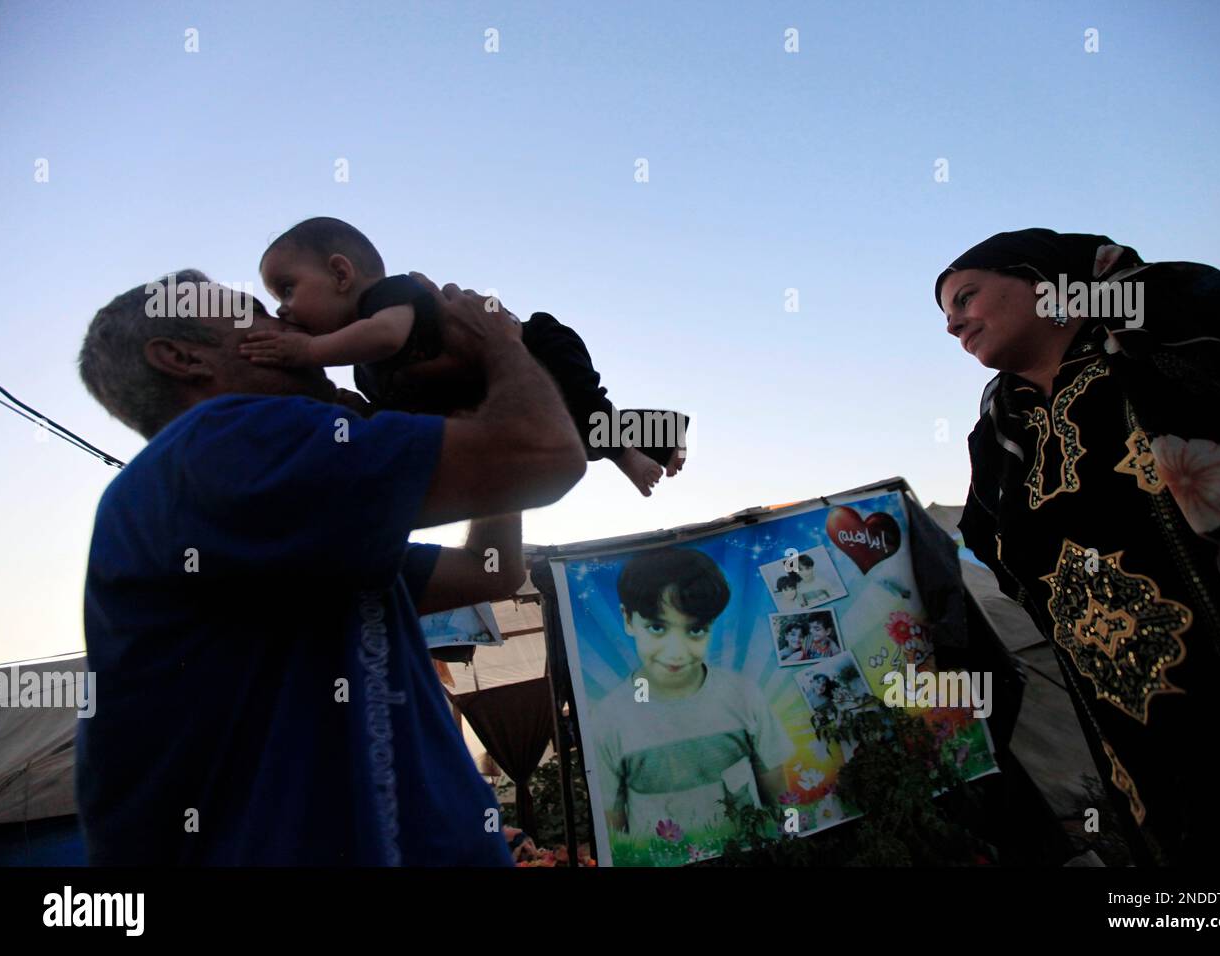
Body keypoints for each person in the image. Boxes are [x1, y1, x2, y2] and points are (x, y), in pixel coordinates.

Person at [75, 269, 586, 865]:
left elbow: (489, 571)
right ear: (182, 358)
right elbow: (546, 454)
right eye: (253, 313)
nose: (287, 320)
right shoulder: (220, 444)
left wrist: (473, 402)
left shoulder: (289, 521)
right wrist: (498, 342)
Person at [936, 227, 1220, 865]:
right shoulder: (997, 436)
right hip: (1129, 728)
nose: (954, 324)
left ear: (1046, 282)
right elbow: (991, 550)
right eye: (946, 314)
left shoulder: (1170, 328)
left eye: (966, 297)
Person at [243, 217, 687, 497]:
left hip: (537, 344)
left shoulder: (389, 296)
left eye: (287, 289)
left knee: (583, 401)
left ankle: (628, 453)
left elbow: (386, 335)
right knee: (568, 432)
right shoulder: (366, 373)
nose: (283, 308)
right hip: (500, 386)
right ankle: (662, 430)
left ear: (341, 273)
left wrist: (307, 350)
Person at [593, 548, 793, 840]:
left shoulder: (743, 696)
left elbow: (778, 794)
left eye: (696, 630)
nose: (676, 652)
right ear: (627, 619)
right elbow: (614, 826)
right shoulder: (609, 718)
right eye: (657, 627)